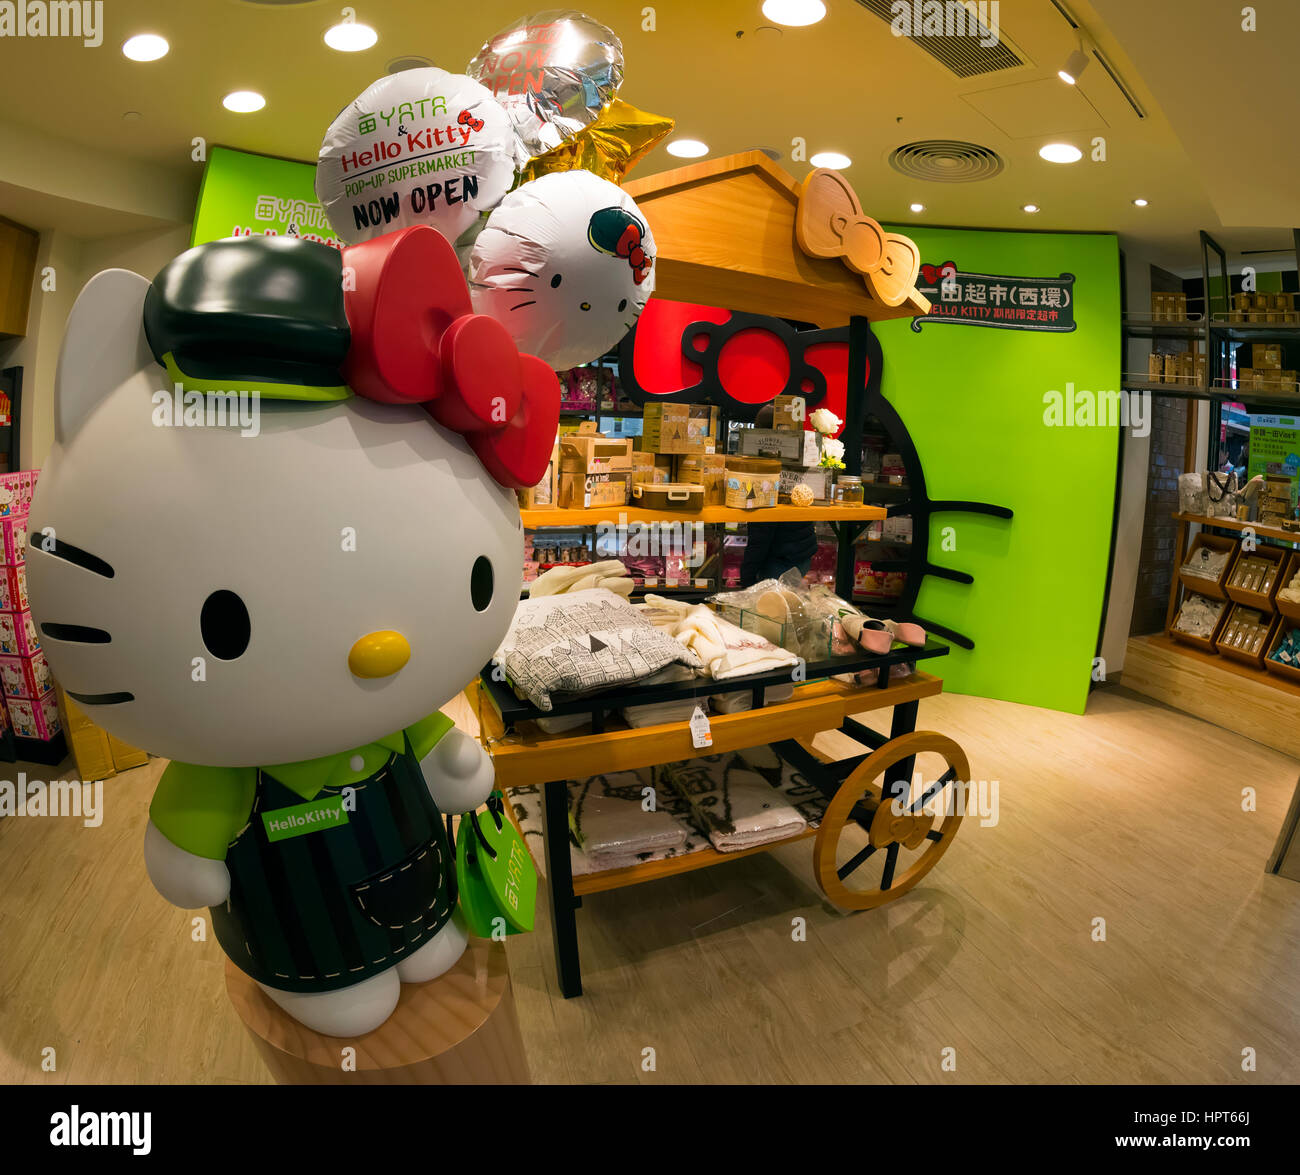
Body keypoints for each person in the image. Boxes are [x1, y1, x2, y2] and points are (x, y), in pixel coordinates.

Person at [739, 404, 819, 587]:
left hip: (782, 557)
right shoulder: (797, 460)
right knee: (782, 605)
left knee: (768, 610)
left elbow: (762, 533)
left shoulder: (766, 469)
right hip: (801, 551)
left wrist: (747, 576)